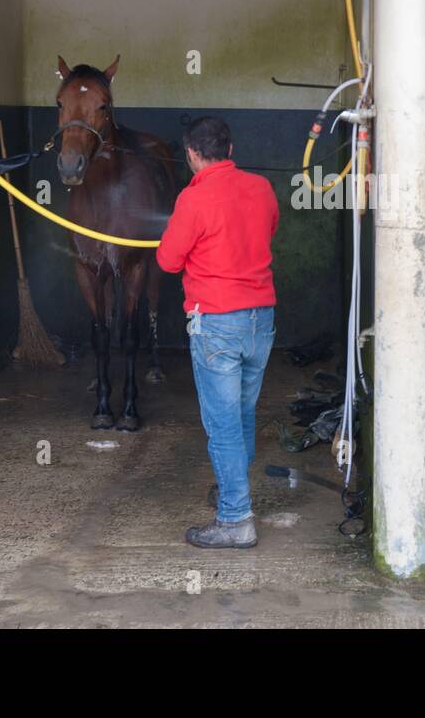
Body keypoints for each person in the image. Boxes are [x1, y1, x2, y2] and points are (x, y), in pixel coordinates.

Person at [156, 117, 279, 549]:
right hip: (260, 321)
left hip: (217, 325)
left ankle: (235, 518)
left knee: (223, 425)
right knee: (242, 416)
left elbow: (168, 261)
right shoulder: (262, 189)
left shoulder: (193, 200)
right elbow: (267, 232)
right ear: (229, 148)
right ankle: (233, 492)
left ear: (191, 154)